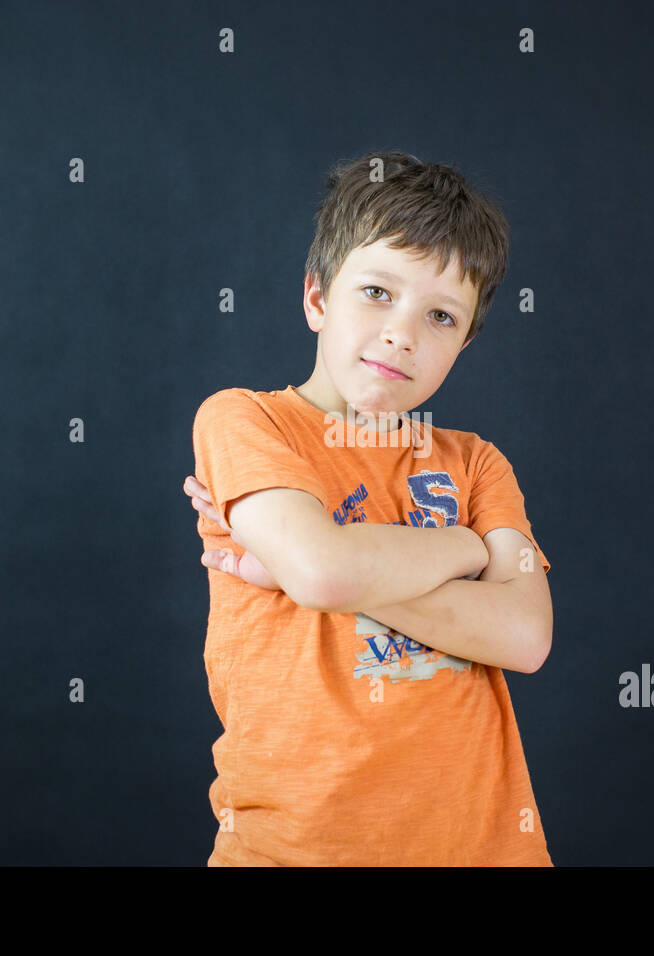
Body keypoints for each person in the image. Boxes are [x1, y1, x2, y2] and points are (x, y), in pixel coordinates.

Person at [185, 150, 554, 865]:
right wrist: (469, 551)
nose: (403, 333)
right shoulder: (246, 423)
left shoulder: (477, 464)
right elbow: (324, 573)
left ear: (465, 342)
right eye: (378, 293)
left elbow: (524, 635)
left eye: (441, 316)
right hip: (296, 851)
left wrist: (328, 569)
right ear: (318, 297)